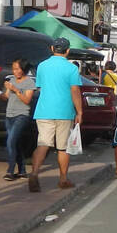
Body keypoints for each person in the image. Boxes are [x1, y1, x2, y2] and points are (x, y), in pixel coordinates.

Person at [28, 38, 83, 192]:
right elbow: (75, 91)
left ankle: (34, 173)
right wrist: (79, 111)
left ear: (52, 48)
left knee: (43, 143)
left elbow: (39, 86)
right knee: (62, 148)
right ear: (68, 51)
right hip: (64, 112)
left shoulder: (42, 66)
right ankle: (63, 179)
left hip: (44, 110)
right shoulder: (71, 68)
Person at [0, 58, 36, 180]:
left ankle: (10, 171)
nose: (15, 71)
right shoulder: (12, 80)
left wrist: (16, 90)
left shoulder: (29, 83)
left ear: (23, 69)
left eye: (17, 69)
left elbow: (27, 100)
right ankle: (22, 170)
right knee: (15, 143)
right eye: (14, 69)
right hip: (9, 115)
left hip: (21, 115)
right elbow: (6, 96)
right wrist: (0, 95)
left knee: (10, 142)